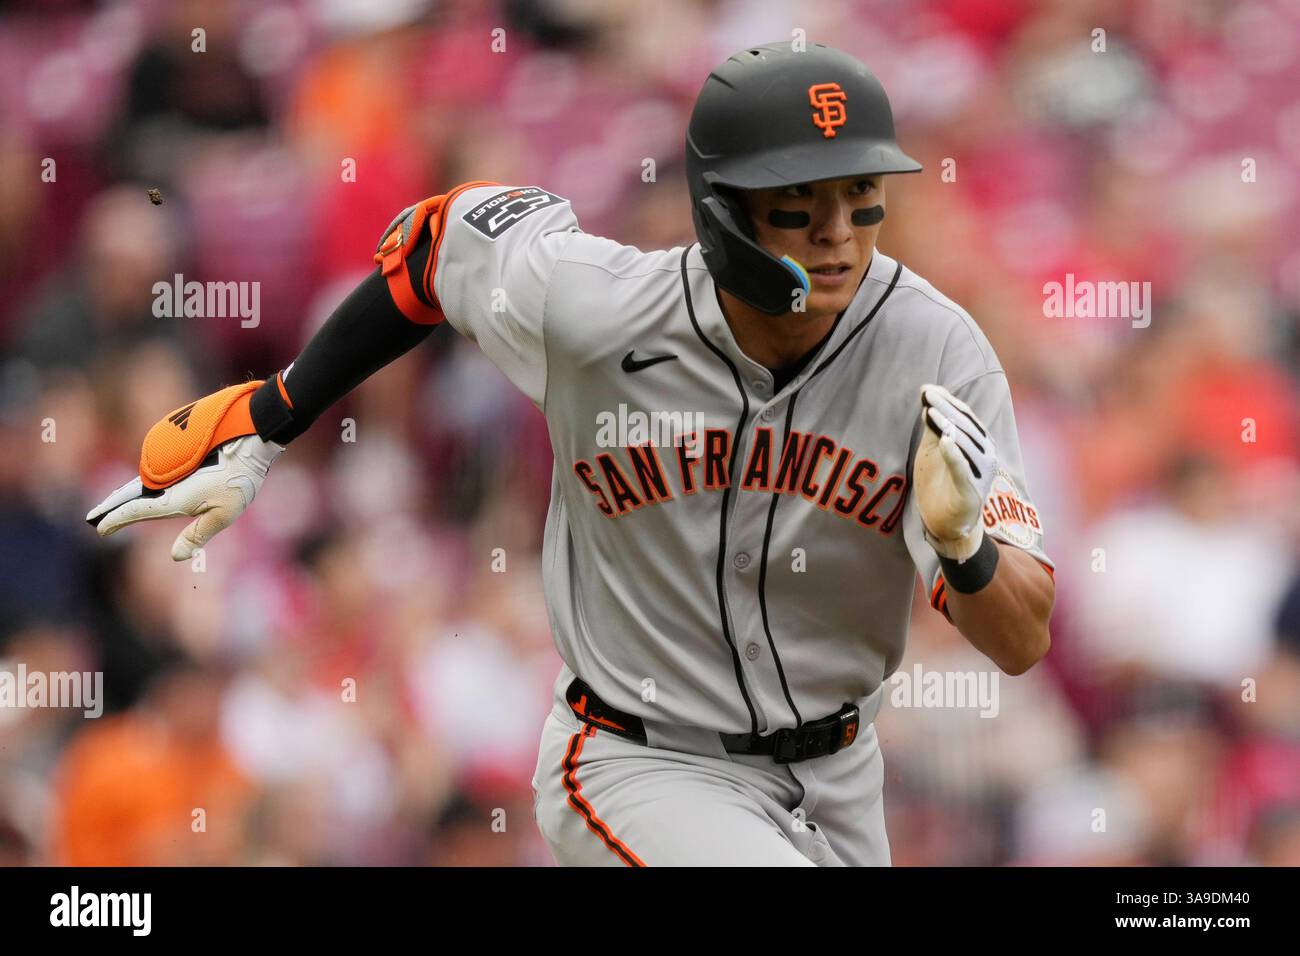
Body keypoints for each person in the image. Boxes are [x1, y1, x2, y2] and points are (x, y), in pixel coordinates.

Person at [87, 42, 1055, 866]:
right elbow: (432, 249)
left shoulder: (933, 350)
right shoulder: (591, 305)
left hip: (839, 777)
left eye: (859, 197)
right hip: (638, 754)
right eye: (801, 203)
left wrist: (963, 544)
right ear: (724, 209)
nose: (839, 235)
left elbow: (1020, 637)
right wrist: (275, 412)